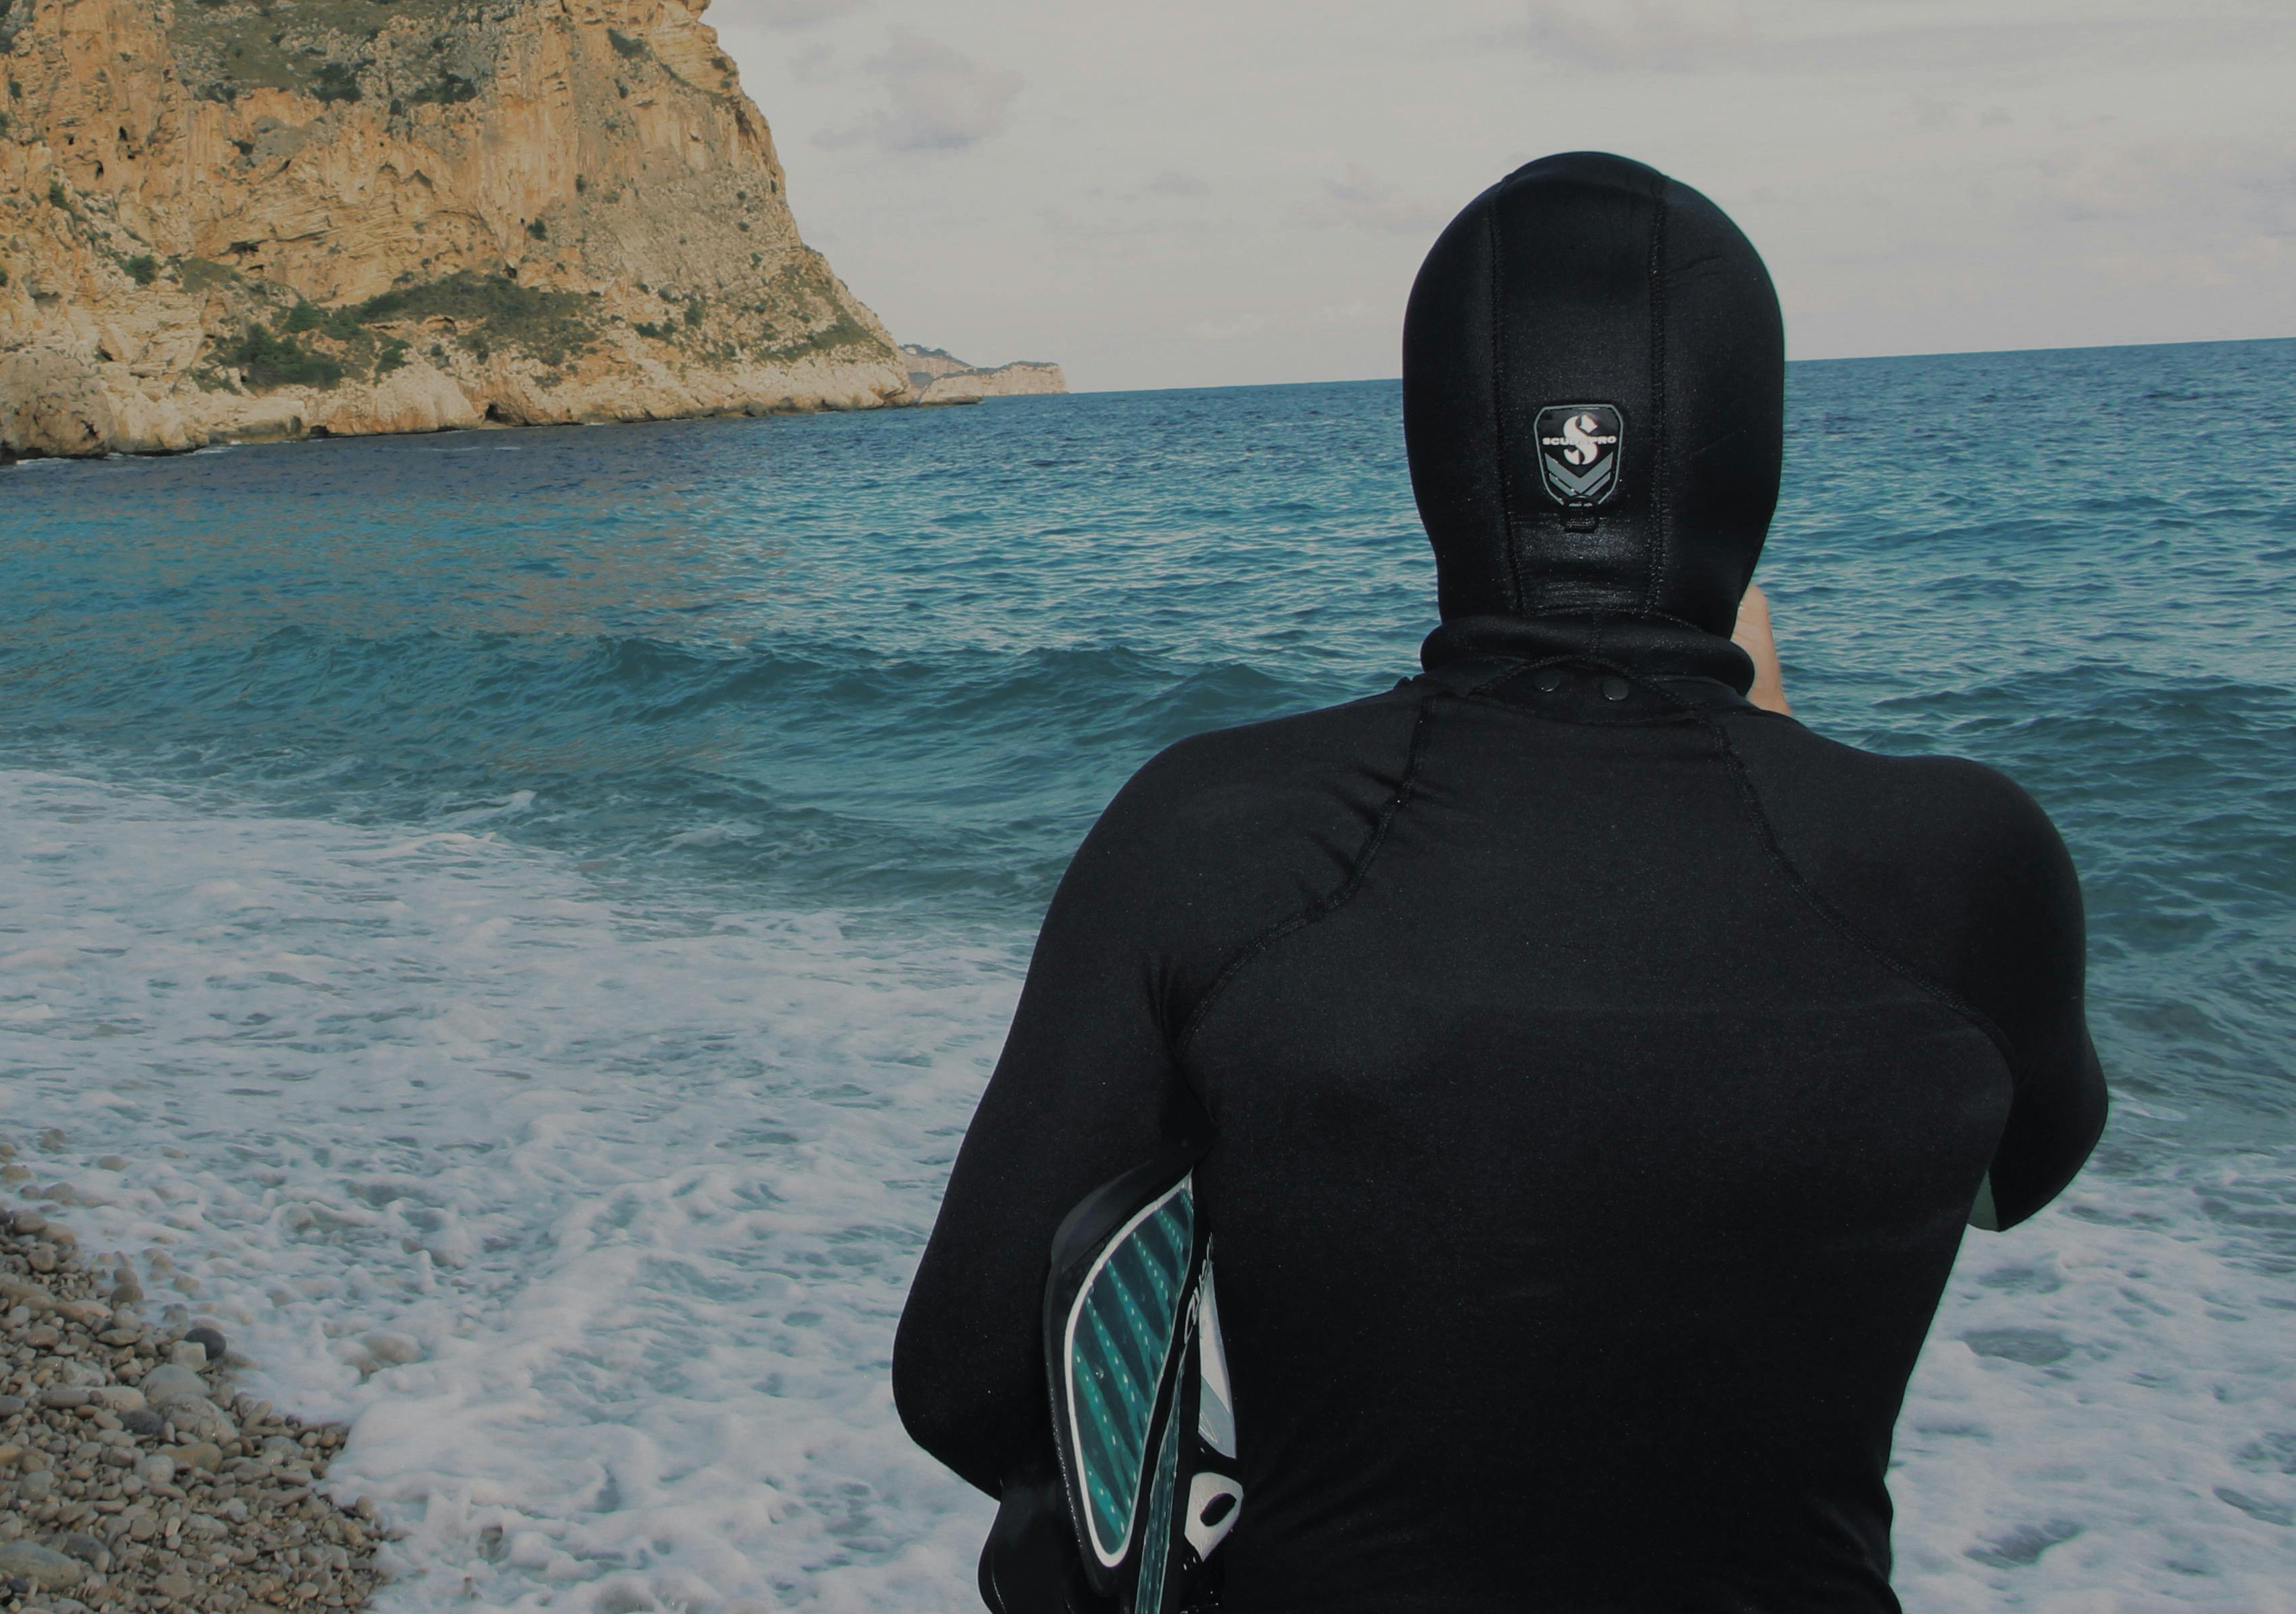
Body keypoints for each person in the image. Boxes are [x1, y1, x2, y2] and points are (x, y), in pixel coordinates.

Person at [892, 151, 2106, 1612]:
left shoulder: (1212, 839)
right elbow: (1992, 1182)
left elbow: (969, 1374)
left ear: (1442, 452)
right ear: (1745, 447)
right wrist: (1759, 744)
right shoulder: (1967, 867)